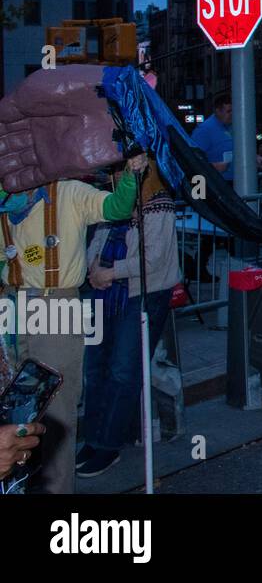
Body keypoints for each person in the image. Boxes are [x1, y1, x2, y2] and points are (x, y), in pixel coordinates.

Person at [0, 152, 145, 493]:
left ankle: (57, 490)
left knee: (56, 406)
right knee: (12, 405)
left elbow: (116, 210)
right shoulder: (6, 202)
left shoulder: (69, 192)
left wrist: (129, 176)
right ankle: (19, 484)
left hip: (56, 305)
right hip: (10, 306)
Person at [78, 160, 180, 478]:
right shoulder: (114, 200)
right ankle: (93, 438)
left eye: (127, 169)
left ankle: (109, 445)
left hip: (143, 295)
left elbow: (154, 257)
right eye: (117, 170)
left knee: (123, 370)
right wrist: (93, 270)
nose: (120, 175)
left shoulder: (159, 203)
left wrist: (110, 272)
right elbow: (97, 239)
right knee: (94, 368)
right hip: (105, 292)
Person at [190, 91, 234, 183]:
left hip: (237, 181)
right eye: (229, 111)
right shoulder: (204, 130)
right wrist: (213, 166)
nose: (232, 114)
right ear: (218, 111)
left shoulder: (235, 126)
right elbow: (193, 159)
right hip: (216, 184)